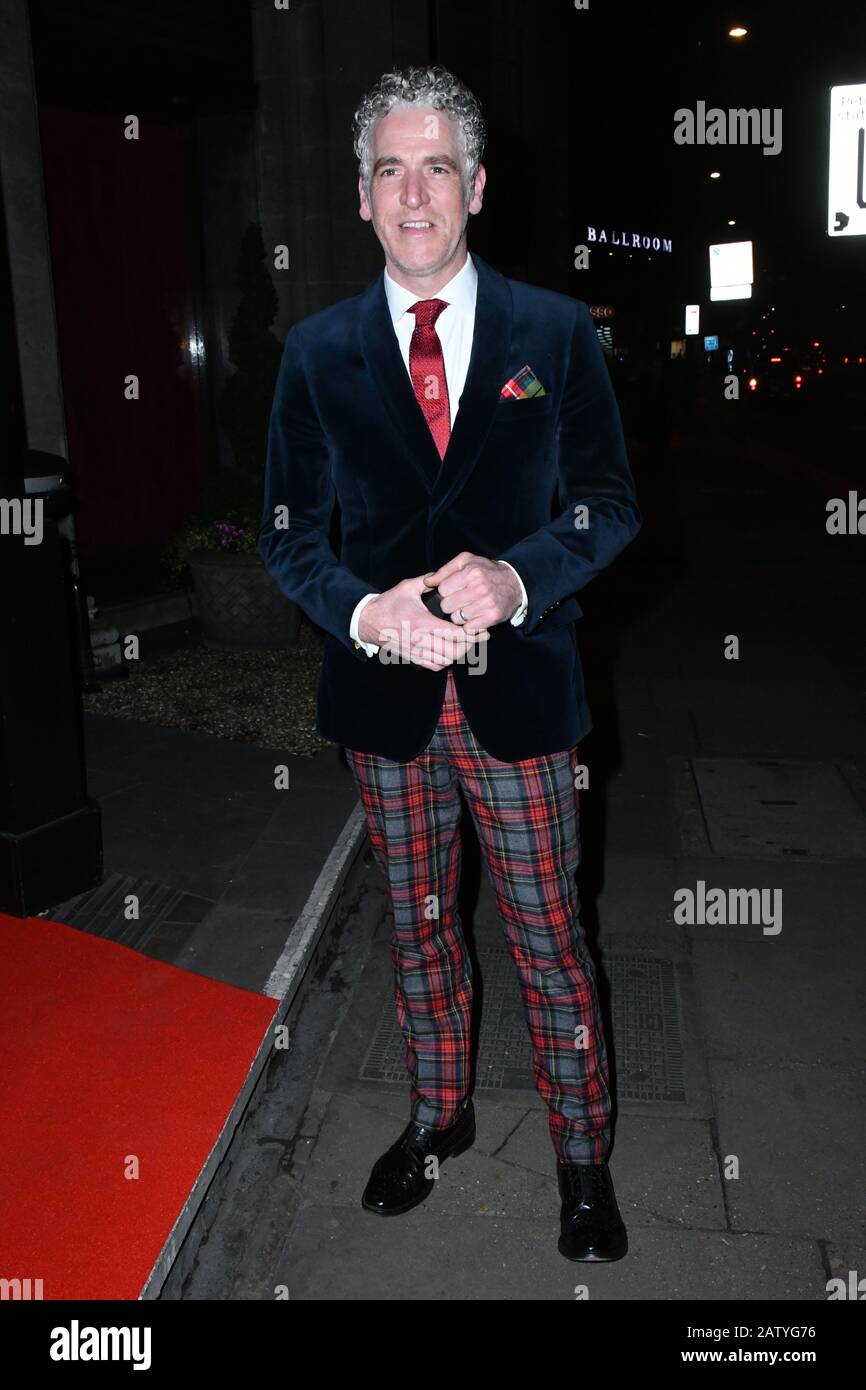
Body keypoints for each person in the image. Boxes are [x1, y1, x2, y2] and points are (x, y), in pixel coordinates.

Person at [257, 64, 642, 1262]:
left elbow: (609, 503)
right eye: (389, 168)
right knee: (419, 928)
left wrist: (520, 574)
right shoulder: (316, 352)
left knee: (544, 931)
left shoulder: (552, 332)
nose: (412, 191)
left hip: (522, 697)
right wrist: (366, 610)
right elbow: (284, 537)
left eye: (436, 167)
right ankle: (438, 1114)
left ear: (474, 185)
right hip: (383, 705)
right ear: (362, 193)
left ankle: (582, 1157)